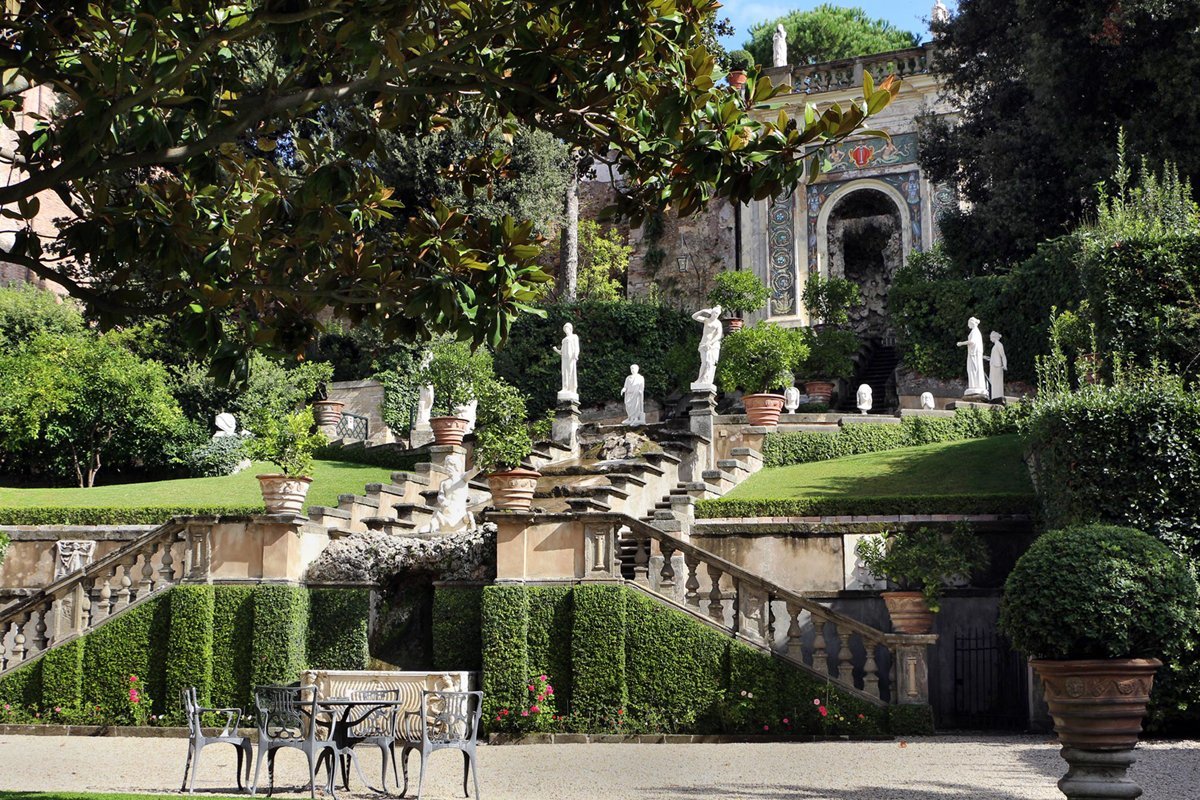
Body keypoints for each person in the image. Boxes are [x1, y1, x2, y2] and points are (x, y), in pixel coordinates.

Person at [956, 317, 986, 397]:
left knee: (973, 369)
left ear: (971, 323)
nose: (968, 325)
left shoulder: (975, 331)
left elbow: (972, 342)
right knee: (972, 369)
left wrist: (961, 343)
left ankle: (975, 385)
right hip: (973, 353)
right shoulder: (975, 331)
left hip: (974, 354)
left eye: (969, 323)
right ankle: (974, 385)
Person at [553, 322, 580, 401]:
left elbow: (576, 347)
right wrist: (556, 350)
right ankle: (565, 388)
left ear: (570, 329)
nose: (566, 330)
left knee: (571, 372)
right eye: (565, 329)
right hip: (564, 358)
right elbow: (562, 351)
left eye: (567, 328)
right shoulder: (564, 339)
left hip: (571, 356)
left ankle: (572, 388)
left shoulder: (574, 337)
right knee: (564, 373)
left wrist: (576, 355)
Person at [984, 331, 1008, 402]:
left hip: (997, 366)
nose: (990, 339)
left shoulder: (999, 345)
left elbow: (1003, 355)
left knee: (997, 382)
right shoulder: (995, 346)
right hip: (993, 366)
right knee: (993, 382)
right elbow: (994, 357)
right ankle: (994, 396)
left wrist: (1004, 365)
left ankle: (998, 396)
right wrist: (987, 358)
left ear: (994, 337)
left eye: (991, 337)